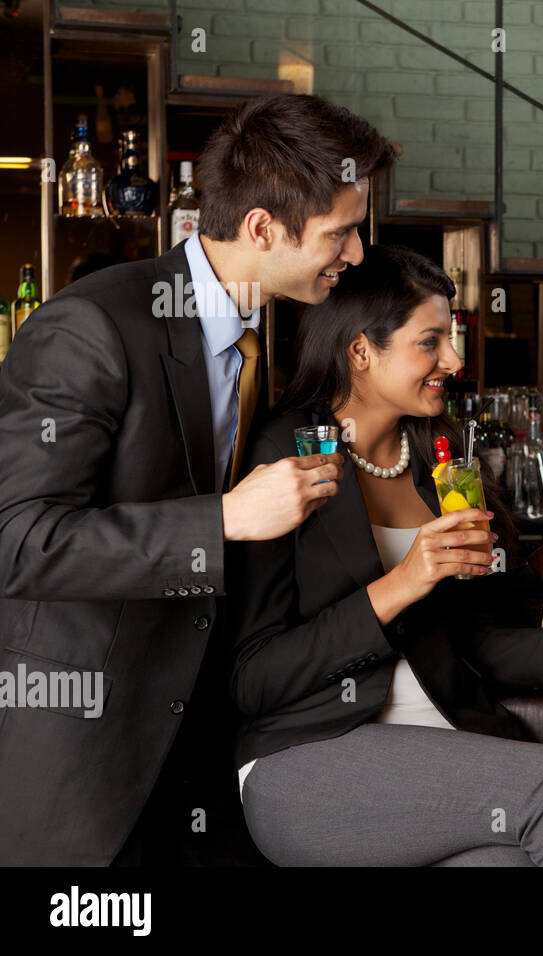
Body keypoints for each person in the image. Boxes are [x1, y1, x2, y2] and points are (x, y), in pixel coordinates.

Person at [0, 92, 394, 865]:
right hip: (87, 750)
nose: (355, 254)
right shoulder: (93, 327)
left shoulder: (257, 335)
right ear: (261, 229)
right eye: (341, 232)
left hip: (203, 734)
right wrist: (222, 520)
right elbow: (18, 540)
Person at [230, 245, 543, 866]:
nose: (454, 361)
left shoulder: (443, 462)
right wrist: (404, 581)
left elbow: (470, 643)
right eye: (430, 342)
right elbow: (254, 678)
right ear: (360, 351)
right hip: (309, 757)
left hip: (447, 754)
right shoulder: (286, 455)